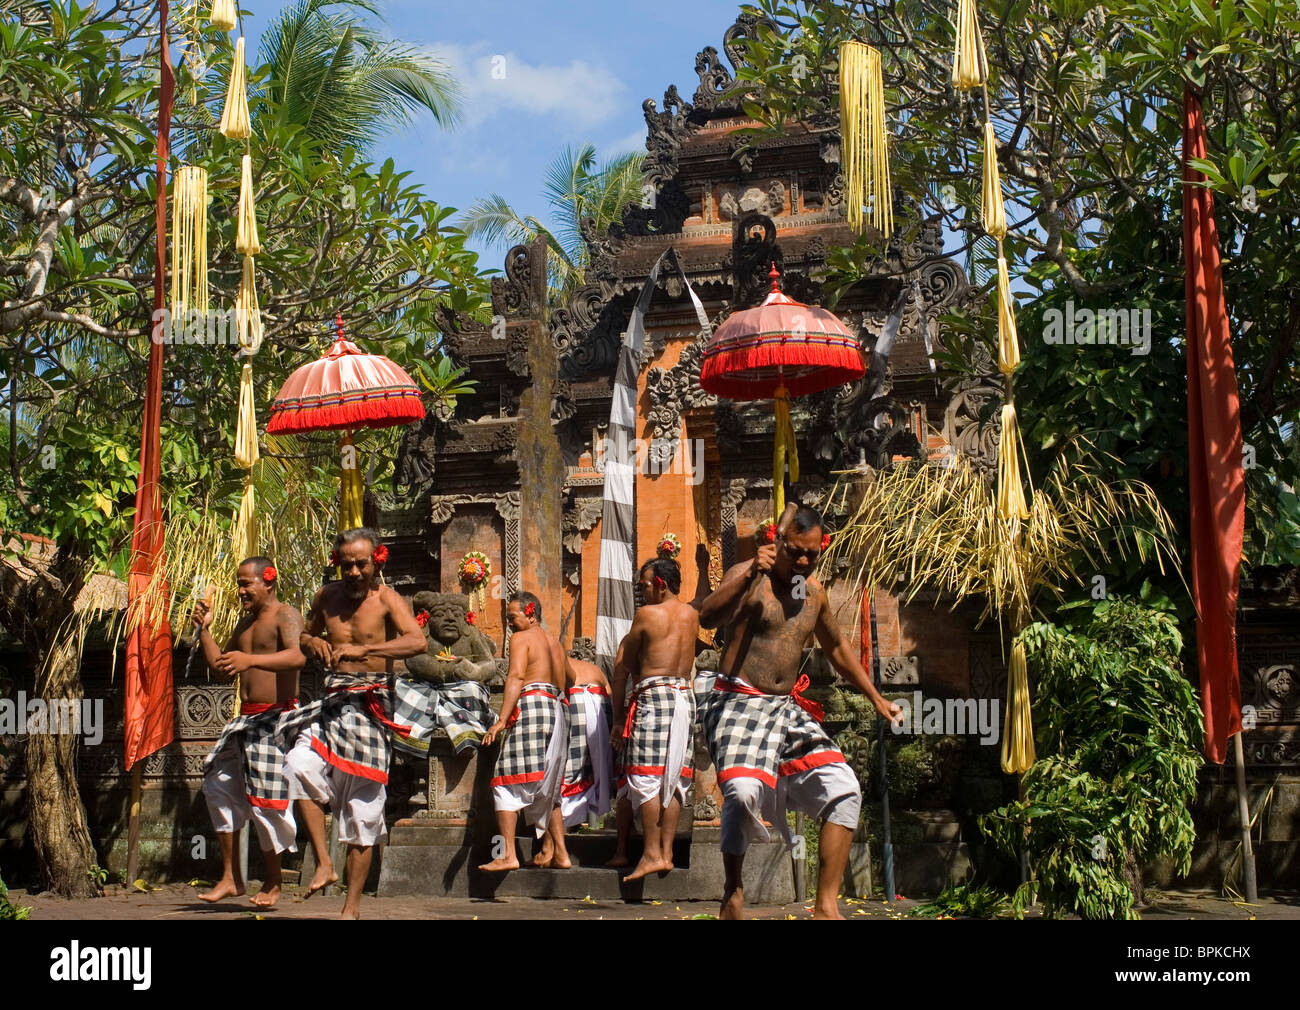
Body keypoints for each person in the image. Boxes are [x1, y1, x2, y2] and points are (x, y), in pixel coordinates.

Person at [698, 505, 903, 920]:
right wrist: (750, 577)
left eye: (813, 553)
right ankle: (732, 889)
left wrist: (875, 697)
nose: (806, 561)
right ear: (778, 544)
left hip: (784, 710)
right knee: (740, 794)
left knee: (844, 789)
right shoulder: (746, 574)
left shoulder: (813, 594)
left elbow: (839, 649)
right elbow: (706, 615)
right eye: (797, 552)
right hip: (736, 701)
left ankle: (826, 906)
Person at [277, 527, 425, 919]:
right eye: (347, 565)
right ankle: (325, 863)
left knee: (363, 810)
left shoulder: (388, 599)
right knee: (296, 766)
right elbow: (306, 635)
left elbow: (417, 643)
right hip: (331, 701)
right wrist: (314, 643)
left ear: (377, 560)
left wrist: (366, 648)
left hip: (372, 705)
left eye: (362, 564)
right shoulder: (326, 596)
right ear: (337, 564)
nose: (355, 572)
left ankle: (351, 908)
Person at [193, 557, 305, 908]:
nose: (240, 591)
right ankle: (231, 877)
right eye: (238, 584)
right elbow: (221, 665)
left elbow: (297, 657)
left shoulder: (286, 614)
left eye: (246, 584)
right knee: (218, 785)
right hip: (246, 720)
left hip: (276, 718)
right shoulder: (244, 624)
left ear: (268, 581)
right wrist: (204, 630)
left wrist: (251, 660)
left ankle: (273, 882)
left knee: (266, 801)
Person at [610, 557, 699, 883]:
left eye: (644, 585)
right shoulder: (691, 615)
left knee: (645, 777)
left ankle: (650, 854)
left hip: (654, 695)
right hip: (684, 697)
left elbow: (629, 663)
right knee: (675, 776)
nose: (642, 592)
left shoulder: (647, 615)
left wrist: (618, 719)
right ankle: (666, 852)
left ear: (660, 584)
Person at [478, 592, 570, 871]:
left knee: (505, 781)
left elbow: (516, 676)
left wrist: (501, 720)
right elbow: (571, 678)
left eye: (512, 618)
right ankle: (562, 854)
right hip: (559, 710)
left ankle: (508, 855)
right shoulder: (554, 642)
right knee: (548, 787)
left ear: (530, 614)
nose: (509, 625)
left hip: (534, 706)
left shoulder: (521, 639)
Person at [560, 653, 614, 831]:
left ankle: (565, 822)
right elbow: (610, 692)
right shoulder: (594, 668)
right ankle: (579, 818)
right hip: (602, 702)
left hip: (576, 698)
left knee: (571, 764)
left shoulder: (556, 659)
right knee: (599, 765)